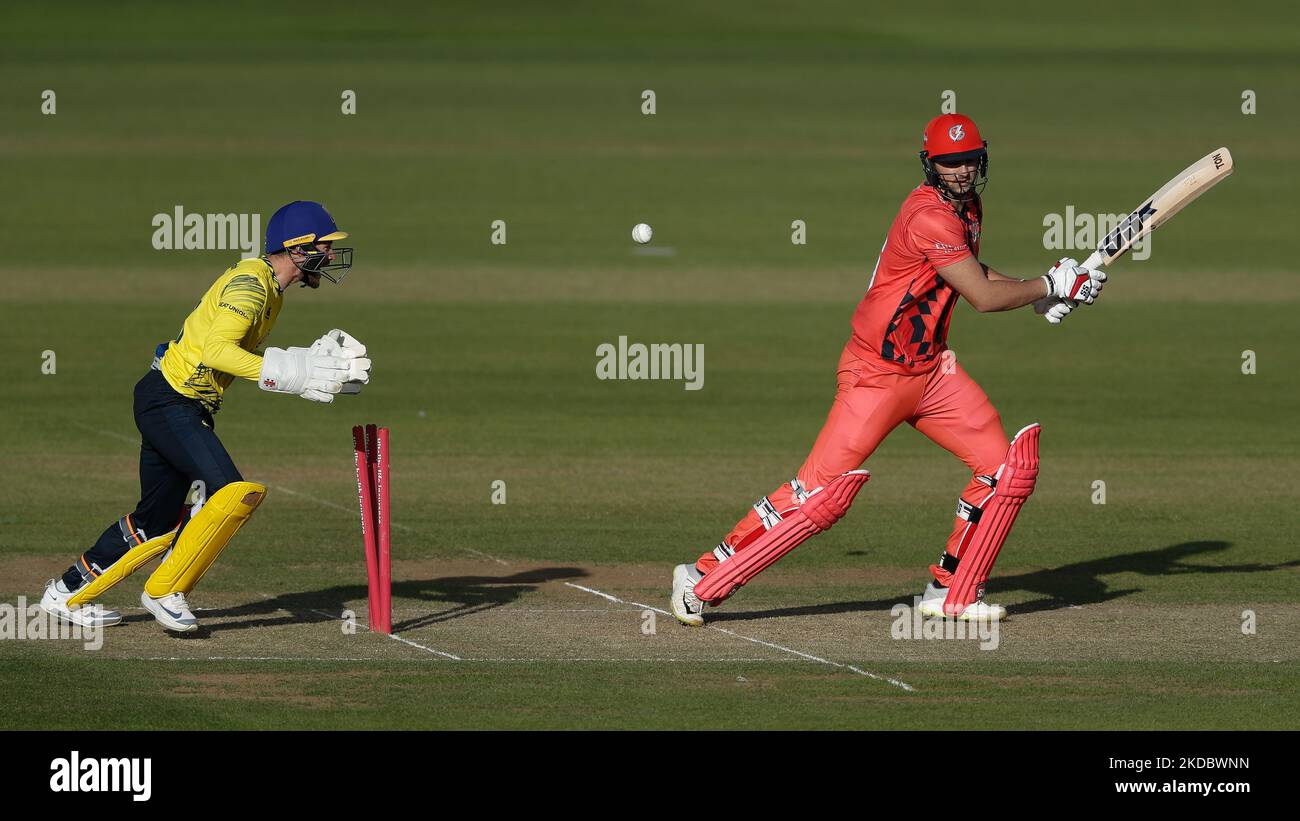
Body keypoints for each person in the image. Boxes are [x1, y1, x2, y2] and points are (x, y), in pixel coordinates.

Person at [670, 114, 1104, 626]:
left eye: (969, 161)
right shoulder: (929, 217)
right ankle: (702, 576)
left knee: (1006, 468)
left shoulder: (967, 208)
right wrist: (1048, 285)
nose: (961, 171)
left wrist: (1037, 290)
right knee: (819, 497)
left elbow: (971, 273)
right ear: (931, 165)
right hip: (875, 374)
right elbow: (984, 298)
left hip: (933, 372)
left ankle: (950, 589)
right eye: (950, 163)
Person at [39, 201, 372, 633]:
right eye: (322, 246)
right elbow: (217, 352)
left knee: (154, 522)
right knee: (234, 493)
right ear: (295, 248)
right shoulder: (250, 288)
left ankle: (65, 592)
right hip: (170, 402)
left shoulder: (269, 291)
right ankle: (165, 590)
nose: (328, 254)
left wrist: (300, 367)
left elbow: (223, 349)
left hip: (174, 401)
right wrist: (289, 371)